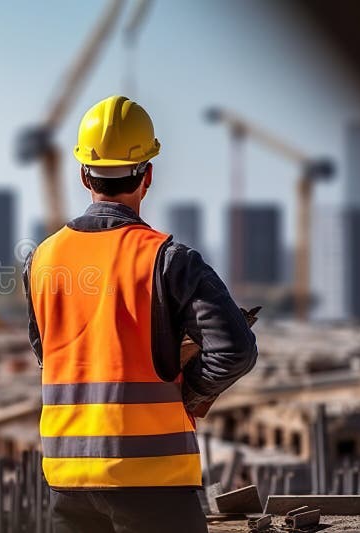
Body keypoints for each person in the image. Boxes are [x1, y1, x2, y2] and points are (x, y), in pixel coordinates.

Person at [22, 95, 258, 533]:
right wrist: (188, 393)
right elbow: (235, 350)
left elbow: (48, 355)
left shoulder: (41, 261)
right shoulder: (168, 259)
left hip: (67, 479)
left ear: (83, 173)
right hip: (153, 481)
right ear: (147, 175)